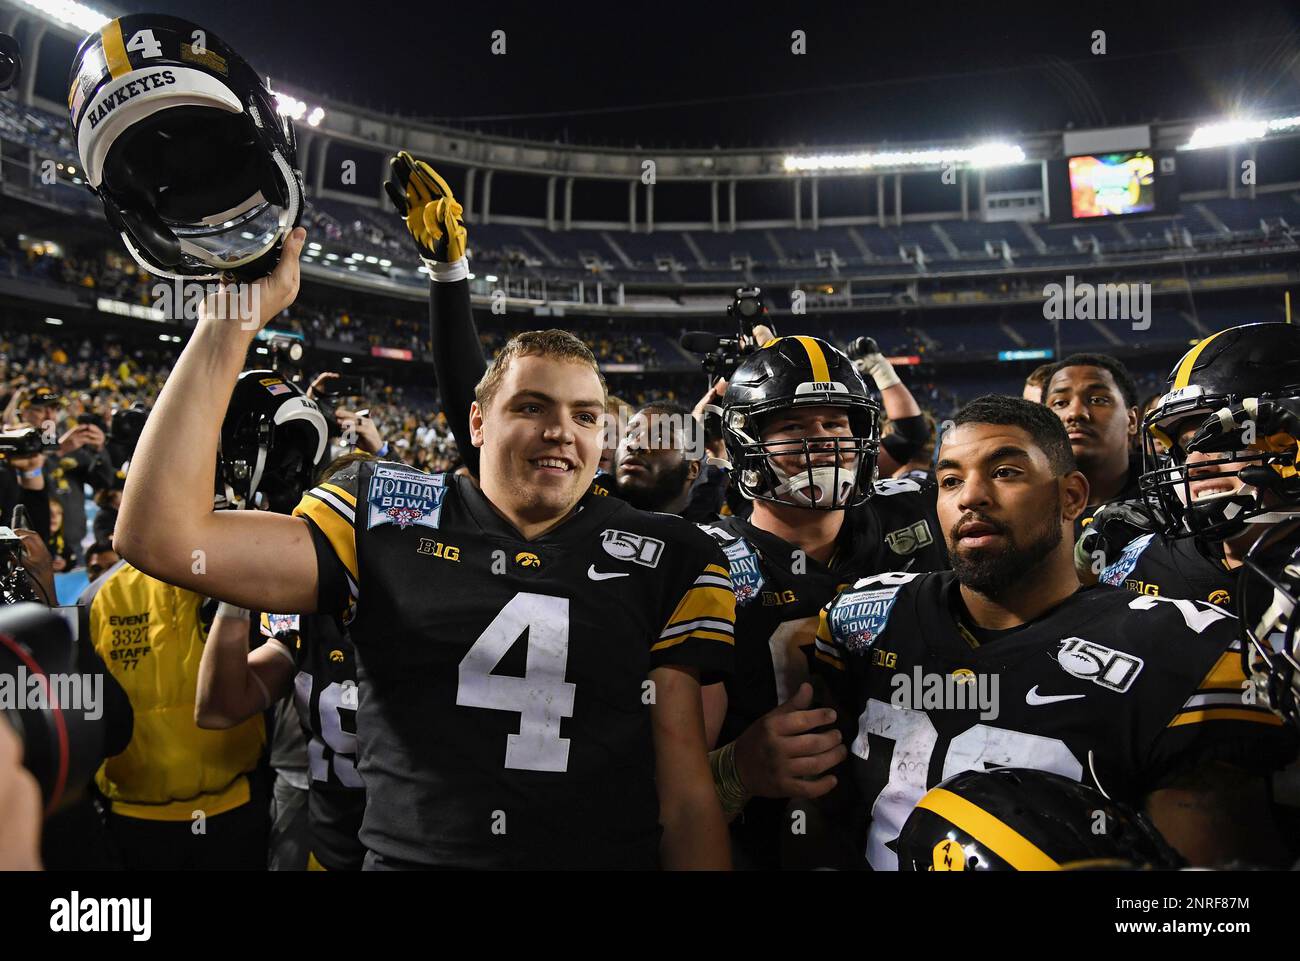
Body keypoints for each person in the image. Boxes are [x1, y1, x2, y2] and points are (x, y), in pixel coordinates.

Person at [116, 226, 736, 869]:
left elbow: (686, 798)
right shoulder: (381, 512)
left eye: (584, 416)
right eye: (531, 407)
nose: (560, 432)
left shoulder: (672, 553)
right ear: (477, 421)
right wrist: (228, 319)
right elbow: (160, 536)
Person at [811, 395, 1294, 869]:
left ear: (1072, 496)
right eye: (950, 480)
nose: (971, 497)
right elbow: (812, 807)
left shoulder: (1180, 649)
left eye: (1005, 472)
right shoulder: (868, 617)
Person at [698, 335, 949, 868]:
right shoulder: (706, 560)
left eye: (836, 424)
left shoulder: (920, 512)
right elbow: (660, 782)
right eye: (794, 426)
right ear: (745, 442)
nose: (824, 442)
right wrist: (735, 769)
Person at [86, 369, 328, 870]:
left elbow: (229, 706)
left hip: (239, 806)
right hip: (133, 819)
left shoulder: (279, 584)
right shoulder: (101, 597)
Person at [195, 451, 371, 872]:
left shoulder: (432, 607)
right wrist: (240, 585)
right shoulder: (305, 615)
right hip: (331, 843)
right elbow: (219, 707)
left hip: (414, 847)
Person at [1084, 324, 1300, 607]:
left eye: (1222, 443)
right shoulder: (1144, 560)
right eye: (1186, 448)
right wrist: (1083, 558)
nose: (1194, 465)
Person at [1040, 353, 1142, 535]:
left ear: (1132, 420)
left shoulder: (1176, 492)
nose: (1075, 413)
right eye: (1060, 403)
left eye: (1097, 400)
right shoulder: (1025, 510)